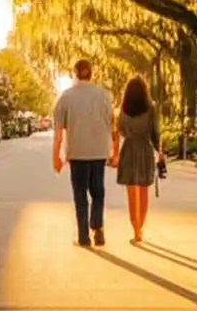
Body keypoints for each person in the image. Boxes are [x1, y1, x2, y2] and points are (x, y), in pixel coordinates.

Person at [52, 59, 118, 248]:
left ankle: (83, 236)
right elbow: (113, 125)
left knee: (80, 195)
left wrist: (56, 157)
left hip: (77, 153)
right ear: (91, 73)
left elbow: (58, 132)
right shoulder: (104, 95)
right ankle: (97, 227)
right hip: (98, 152)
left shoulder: (66, 97)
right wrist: (114, 151)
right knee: (98, 192)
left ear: (75, 73)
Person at [116, 75, 162, 243]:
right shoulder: (151, 108)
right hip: (145, 149)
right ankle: (140, 228)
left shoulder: (123, 109)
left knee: (131, 192)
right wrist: (160, 150)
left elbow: (120, 129)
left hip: (128, 149)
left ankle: (135, 227)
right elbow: (155, 132)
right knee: (143, 190)